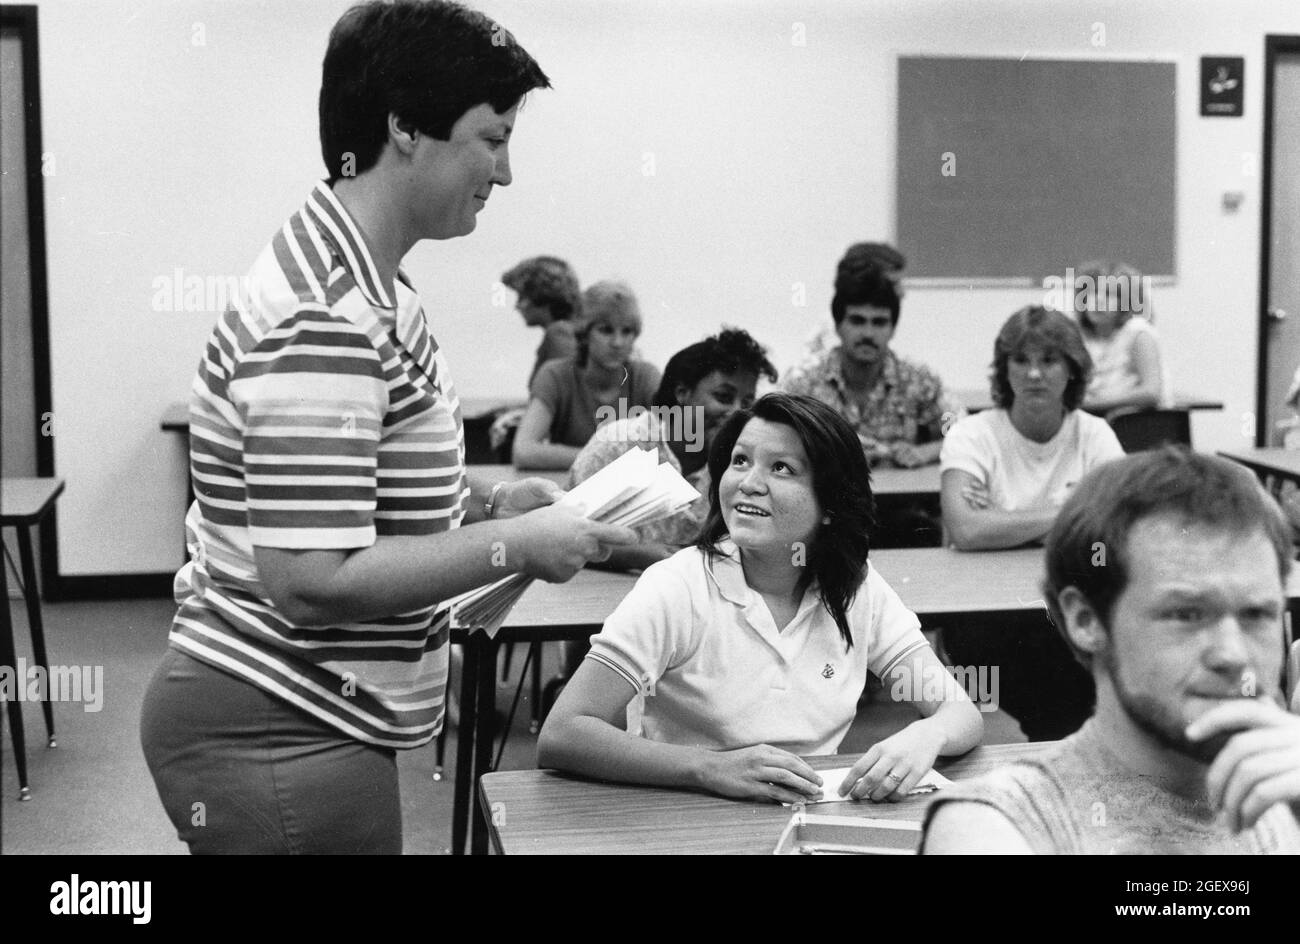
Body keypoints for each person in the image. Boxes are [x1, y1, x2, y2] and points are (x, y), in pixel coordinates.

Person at [139, 0, 635, 855]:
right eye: (493, 136)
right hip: (279, 721)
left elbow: (364, 506)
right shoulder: (326, 314)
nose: (507, 171)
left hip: (308, 714)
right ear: (405, 127)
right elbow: (311, 579)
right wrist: (517, 546)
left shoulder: (375, 286)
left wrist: (491, 508)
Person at [538, 393, 983, 803]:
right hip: (682, 812)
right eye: (740, 461)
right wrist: (709, 768)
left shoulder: (855, 587)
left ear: (830, 504)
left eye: (781, 468)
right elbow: (563, 733)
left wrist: (929, 734)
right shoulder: (677, 586)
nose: (749, 483)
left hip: (804, 814)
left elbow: (960, 711)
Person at [923, 449, 1300, 854]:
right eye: (1186, 614)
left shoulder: (1286, 801)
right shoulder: (993, 827)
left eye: (1257, 614)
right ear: (1086, 620)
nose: (1233, 655)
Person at [940, 306, 1124, 741]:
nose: (1034, 374)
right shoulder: (973, 434)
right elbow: (967, 530)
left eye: (1049, 360)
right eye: (1020, 361)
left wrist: (1003, 521)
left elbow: (1115, 527)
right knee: (1054, 690)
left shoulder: (1095, 435)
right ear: (1004, 372)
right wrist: (1069, 513)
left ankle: (1062, 753)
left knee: (1082, 642)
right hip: (987, 611)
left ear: (1072, 370)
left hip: (1066, 600)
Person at [568, 327, 778, 571]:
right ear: (682, 393)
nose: (736, 413)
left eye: (747, 403)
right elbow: (565, 533)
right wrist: (635, 556)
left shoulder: (740, 465)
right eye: (723, 397)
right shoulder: (619, 445)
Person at [784, 246, 956, 470]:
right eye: (857, 321)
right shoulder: (803, 383)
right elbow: (779, 443)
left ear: (893, 328)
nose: (867, 334)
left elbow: (954, 427)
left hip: (902, 502)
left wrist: (924, 451)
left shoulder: (918, 380)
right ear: (837, 326)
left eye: (879, 323)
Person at [512, 279, 661, 469]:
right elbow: (523, 451)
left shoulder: (645, 376)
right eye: (606, 330)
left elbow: (675, 442)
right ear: (584, 332)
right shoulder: (556, 375)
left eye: (627, 331)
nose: (617, 342)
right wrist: (608, 457)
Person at [1071, 259, 1168, 415]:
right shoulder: (1079, 335)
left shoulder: (1138, 332)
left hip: (1131, 424)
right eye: (1093, 293)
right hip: (1094, 419)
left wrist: (1094, 404)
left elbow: (1151, 393)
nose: (1098, 301)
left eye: (1110, 295)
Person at [501, 254, 582, 386]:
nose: (517, 305)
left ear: (541, 295)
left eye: (522, 297)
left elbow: (567, 393)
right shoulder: (572, 331)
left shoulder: (559, 334)